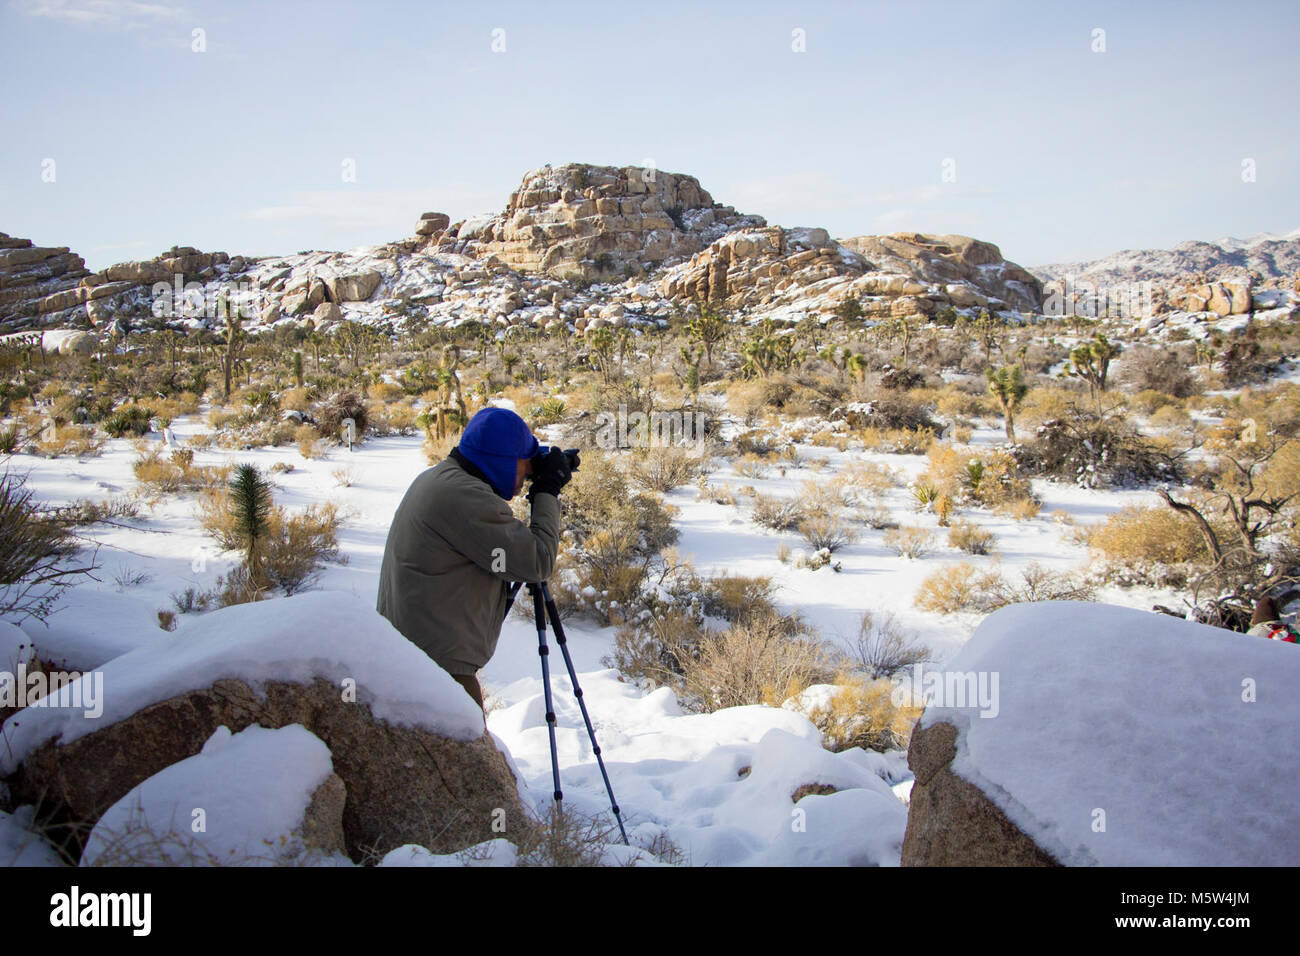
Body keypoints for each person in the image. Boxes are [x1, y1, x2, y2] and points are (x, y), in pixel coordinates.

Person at [376, 406, 574, 711]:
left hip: (413, 658)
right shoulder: (465, 498)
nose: (527, 476)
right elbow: (538, 562)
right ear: (503, 461)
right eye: (524, 465)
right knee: (464, 759)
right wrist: (547, 490)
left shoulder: (438, 479)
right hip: (439, 674)